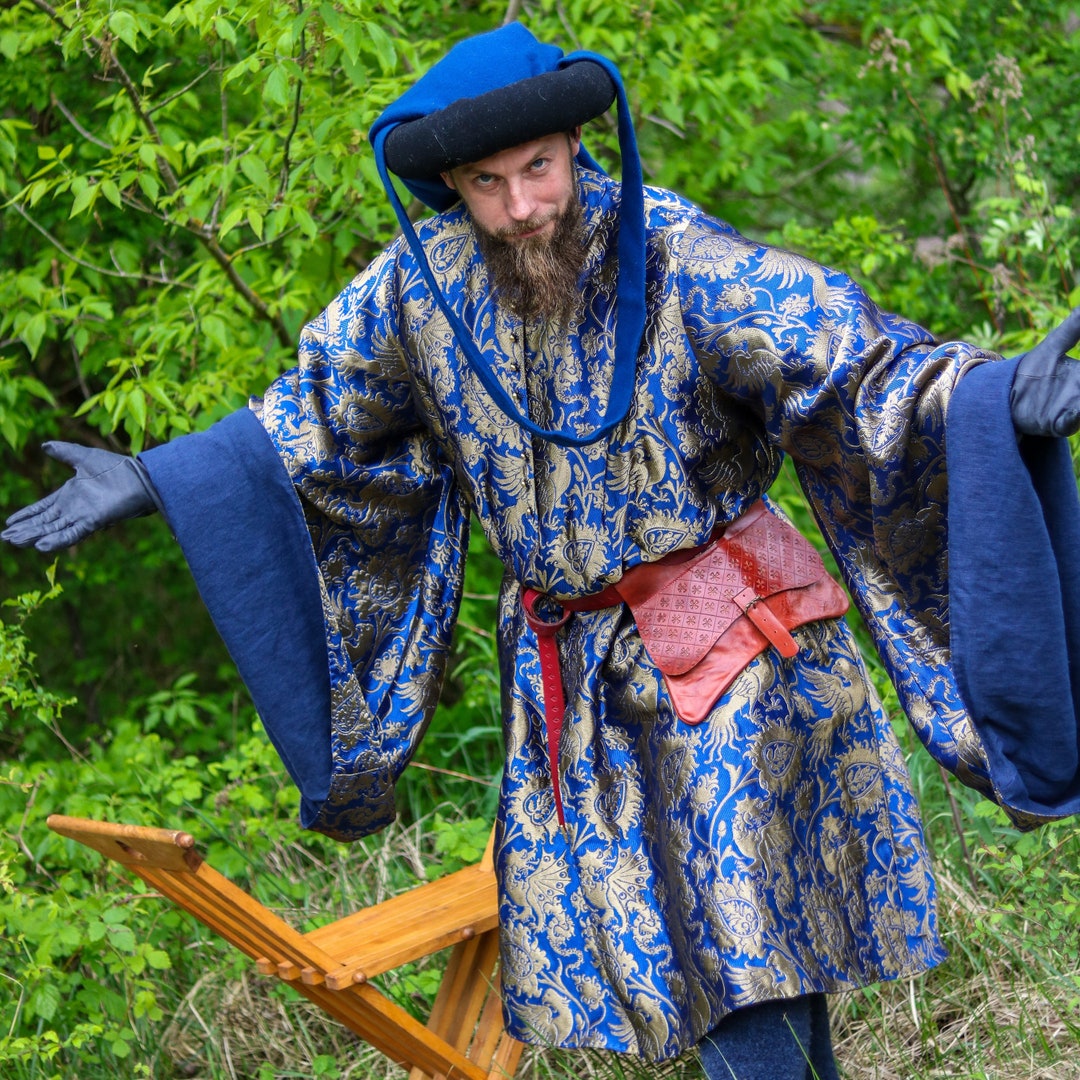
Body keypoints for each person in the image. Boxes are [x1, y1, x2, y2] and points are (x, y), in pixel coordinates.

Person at [5, 21, 1080, 1080]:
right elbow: (311, 416)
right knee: (693, 960)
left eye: (540, 169)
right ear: (452, 188)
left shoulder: (676, 254)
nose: (523, 208)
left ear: (575, 148)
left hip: (734, 646)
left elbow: (843, 353)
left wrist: (988, 401)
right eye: (488, 183)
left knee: (745, 954)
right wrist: (154, 478)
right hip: (572, 674)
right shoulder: (415, 292)